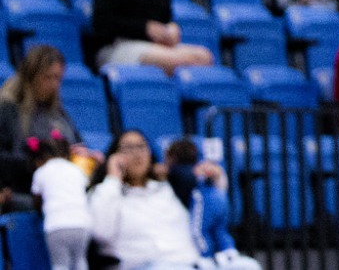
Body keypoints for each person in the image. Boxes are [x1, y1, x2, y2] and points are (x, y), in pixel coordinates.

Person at [89, 131, 203, 270]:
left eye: (142, 146)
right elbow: (101, 233)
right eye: (128, 148)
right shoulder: (106, 192)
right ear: (115, 156)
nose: (137, 154)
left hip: (190, 263)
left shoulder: (164, 188)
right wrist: (113, 178)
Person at [0, 46, 95, 186]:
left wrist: (81, 154)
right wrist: (36, 162)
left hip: (62, 183)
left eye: (58, 78)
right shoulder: (8, 110)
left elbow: (77, 144)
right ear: (31, 76)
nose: (54, 85)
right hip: (23, 185)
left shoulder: (59, 113)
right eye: (48, 77)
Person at [163, 138, 260, 270]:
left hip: (203, 199)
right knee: (219, 229)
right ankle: (229, 252)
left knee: (198, 230)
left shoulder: (180, 171)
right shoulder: (204, 166)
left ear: (172, 157)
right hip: (221, 197)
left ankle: (205, 257)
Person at [30, 134, 90, 270]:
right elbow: (85, 189)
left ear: (41, 157)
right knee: (81, 262)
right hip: (82, 224)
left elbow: (36, 201)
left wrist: (40, 211)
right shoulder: (76, 169)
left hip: (56, 225)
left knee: (60, 265)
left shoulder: (41, 171)